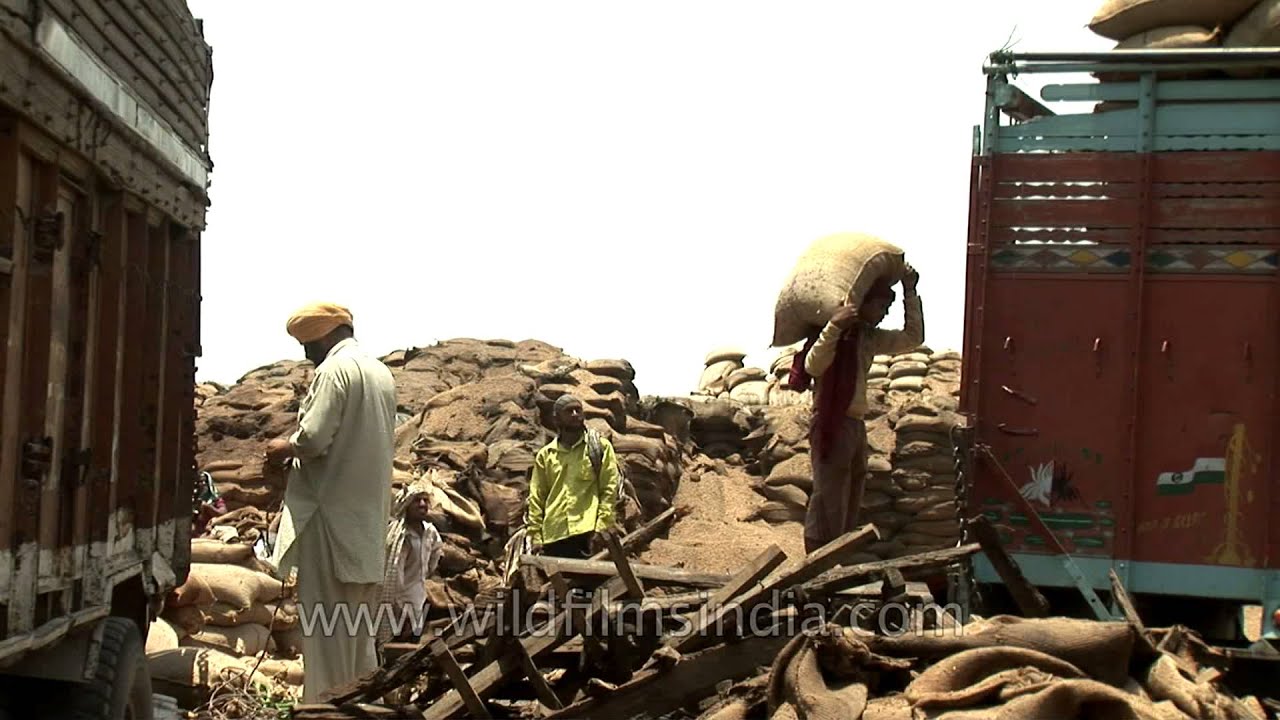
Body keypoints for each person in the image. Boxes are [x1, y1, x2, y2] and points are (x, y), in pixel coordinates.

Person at [265, 302, 397, 703]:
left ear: (324, 335)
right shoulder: (380, 372)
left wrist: (281, 446)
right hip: (366, 522)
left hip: (330, 521)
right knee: (356, 630)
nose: (306, 355)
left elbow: (315, 438)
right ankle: (359, 703)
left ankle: (324, 707)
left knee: (323, 633)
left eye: (307, 345)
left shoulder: (333, 371)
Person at [789, 264, 924, 554]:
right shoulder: (833, 334)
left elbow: (913, 338)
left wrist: (910, 292)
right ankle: (816, 564)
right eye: (881, 306)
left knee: (850, 499)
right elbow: (813, 365)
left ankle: (835, 560)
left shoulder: (867, 337)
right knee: (829, 500)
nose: (885, 313)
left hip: (854, 425)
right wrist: (835, 326)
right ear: (864, 304)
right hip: (832, 423)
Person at [525, 395, 620, 559]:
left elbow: (609, 488)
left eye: (578, 410)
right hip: (554, 534)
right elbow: (537, 497)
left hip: (588, 532)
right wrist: (536, 535)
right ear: (557, 419)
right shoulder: (546, 455)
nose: (575, 414)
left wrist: (602, 526)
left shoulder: (600, 447)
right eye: (569, 411)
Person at [377, 477, 443, 650]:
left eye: (425, 500)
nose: (422, 504)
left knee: (412, 648)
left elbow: (434, 558)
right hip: (399, 604)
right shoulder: (400, 536)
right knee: (394, 649)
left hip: (418, 600)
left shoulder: (430, 531)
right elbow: (394, 576)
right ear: (407, 505)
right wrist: (401, 609)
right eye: (417, 500)